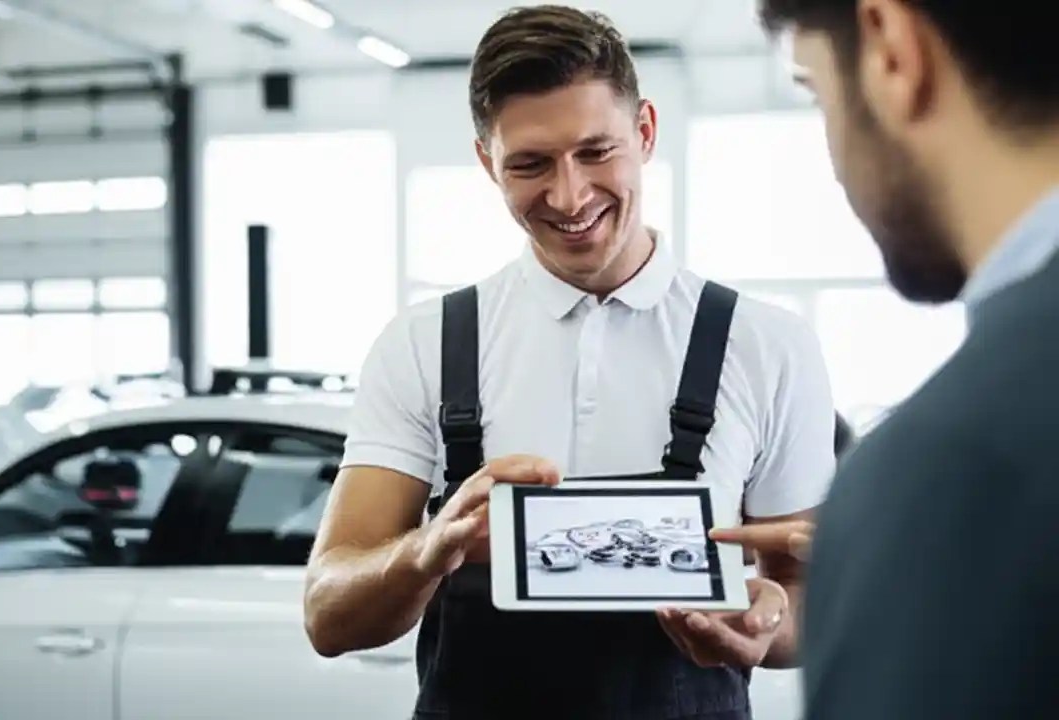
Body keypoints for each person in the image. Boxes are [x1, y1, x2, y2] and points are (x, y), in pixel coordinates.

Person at [303, 5, 837, 718]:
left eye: (596, 152)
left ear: (645, 132)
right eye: (530, 164)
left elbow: (809, 602)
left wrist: (769, 624)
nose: (569, 195)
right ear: (487, 162)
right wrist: (434, 546)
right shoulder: (423, 344)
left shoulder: (768, 346)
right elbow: (329, 617)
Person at [709, 1, 1059, 718]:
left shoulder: (950, 469)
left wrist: (885, 551)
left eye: (816, 90)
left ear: (892, 49)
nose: (834, 161)